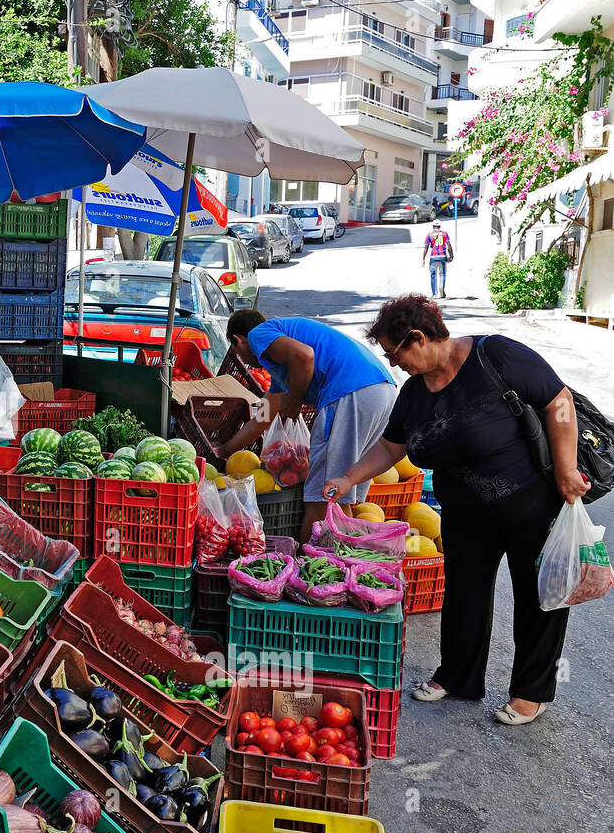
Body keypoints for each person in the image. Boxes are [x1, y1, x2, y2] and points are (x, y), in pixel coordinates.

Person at [324, 295, 588, 725]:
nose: (394, 365)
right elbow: (394, 445)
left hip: (531, 506)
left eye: (396, 354)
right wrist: (349, 478)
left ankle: (530, 692)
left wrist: (566, 470)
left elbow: (559, 402)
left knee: (538, 599)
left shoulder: (494, 355)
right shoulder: (413, 393)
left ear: (419, 338)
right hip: (466, 514)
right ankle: (459, 676)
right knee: (465, 593)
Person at [215, 310, 397, 546]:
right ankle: (344, 565)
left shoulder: (258, 334)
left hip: (350, 391)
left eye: (237, 351)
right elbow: (263, 416)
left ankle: (308, 567)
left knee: (323, 497)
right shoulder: (282, 369)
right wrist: (227, 449)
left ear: (238, 341)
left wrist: (294, 400)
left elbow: (305, 355)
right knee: (340, 499)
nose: (242, 358)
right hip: (381, 391)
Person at [422, 220, 454, 299]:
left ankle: (434, 294)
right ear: (440, 226)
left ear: (433, 226)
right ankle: (441, 287)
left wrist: (423, 258)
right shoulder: (444, 234)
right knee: (442, 274)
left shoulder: (429, 235)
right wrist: (451, 255)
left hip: (433, 257)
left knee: (433, 275)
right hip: (442, 256)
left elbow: (426, 247)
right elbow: (449, 244)